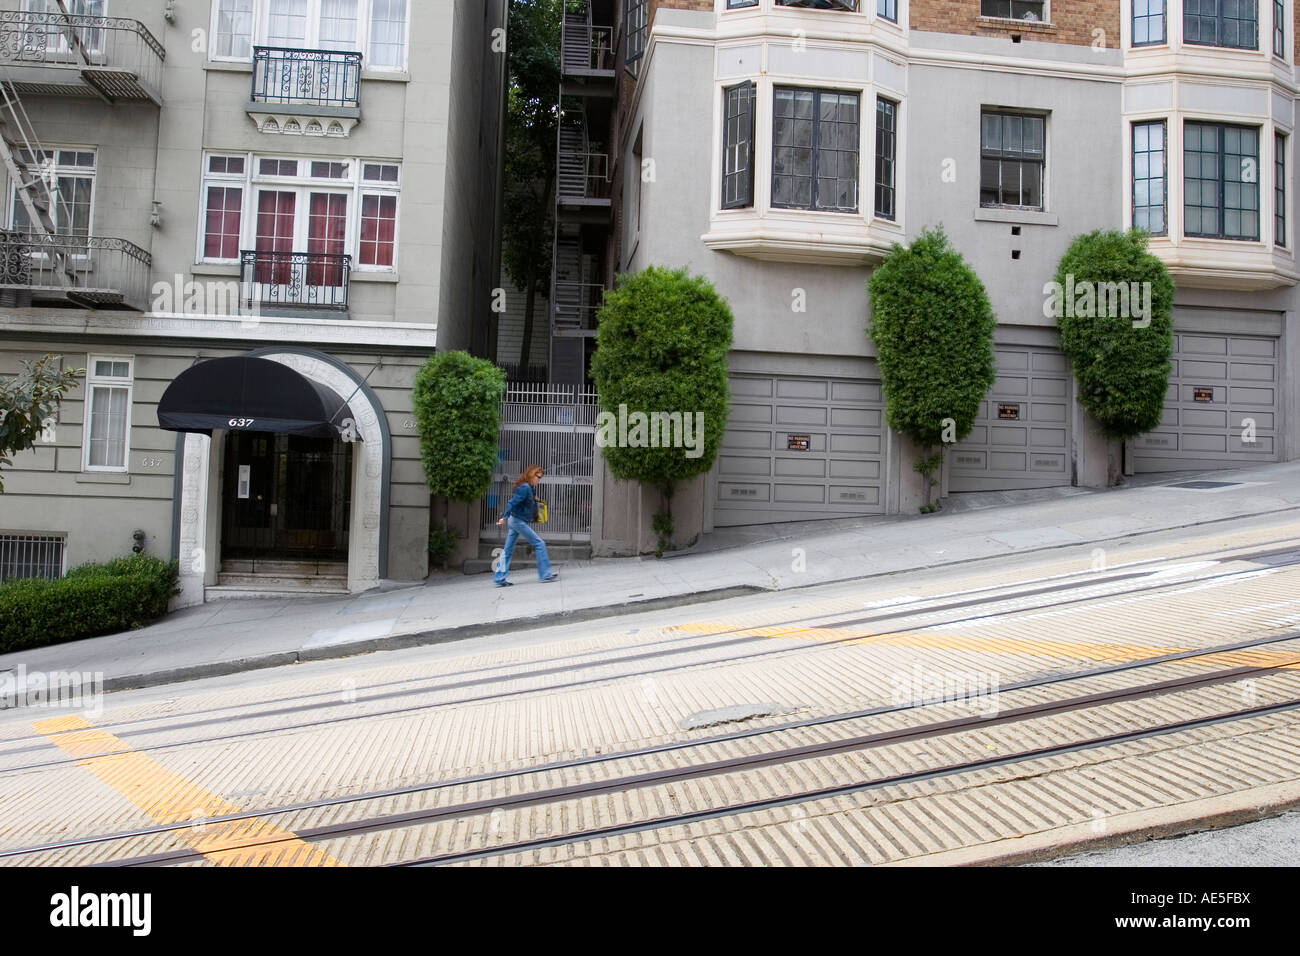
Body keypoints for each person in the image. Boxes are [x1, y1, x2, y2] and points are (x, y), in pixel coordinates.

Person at [493, 464, 558, 587]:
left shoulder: (529, 487)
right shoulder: (525, 488)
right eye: (538, 477)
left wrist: (535, 499)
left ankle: (499, 578)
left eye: (540, 477)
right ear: (531, 475)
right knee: (539, 543)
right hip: (517, 521)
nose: (539, 480)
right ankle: (545, 574)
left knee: (507, 551)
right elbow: (511, 503)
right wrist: (503, 518)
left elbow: (527, 499)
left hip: (516, 520)